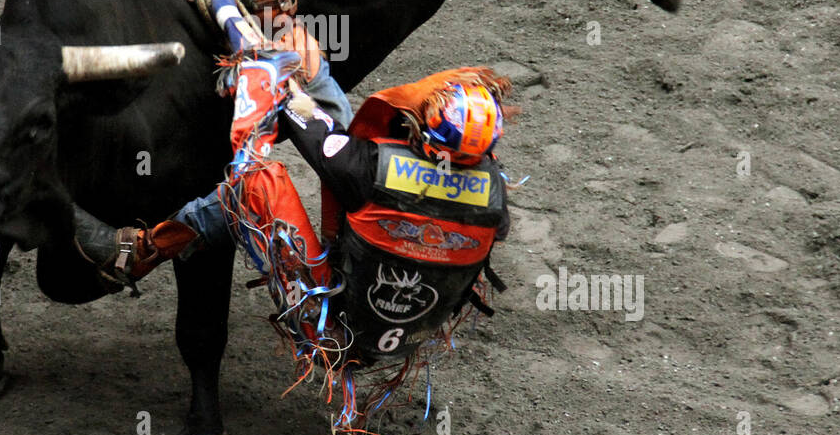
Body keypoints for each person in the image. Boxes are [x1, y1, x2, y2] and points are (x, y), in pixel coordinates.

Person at [73, 61, 513, 364]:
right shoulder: (495, 196)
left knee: (255, 183)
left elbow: (306, 121)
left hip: (329, 330)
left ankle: (143, 250)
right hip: (404, 342)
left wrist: (282, 72)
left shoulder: (365, 168)